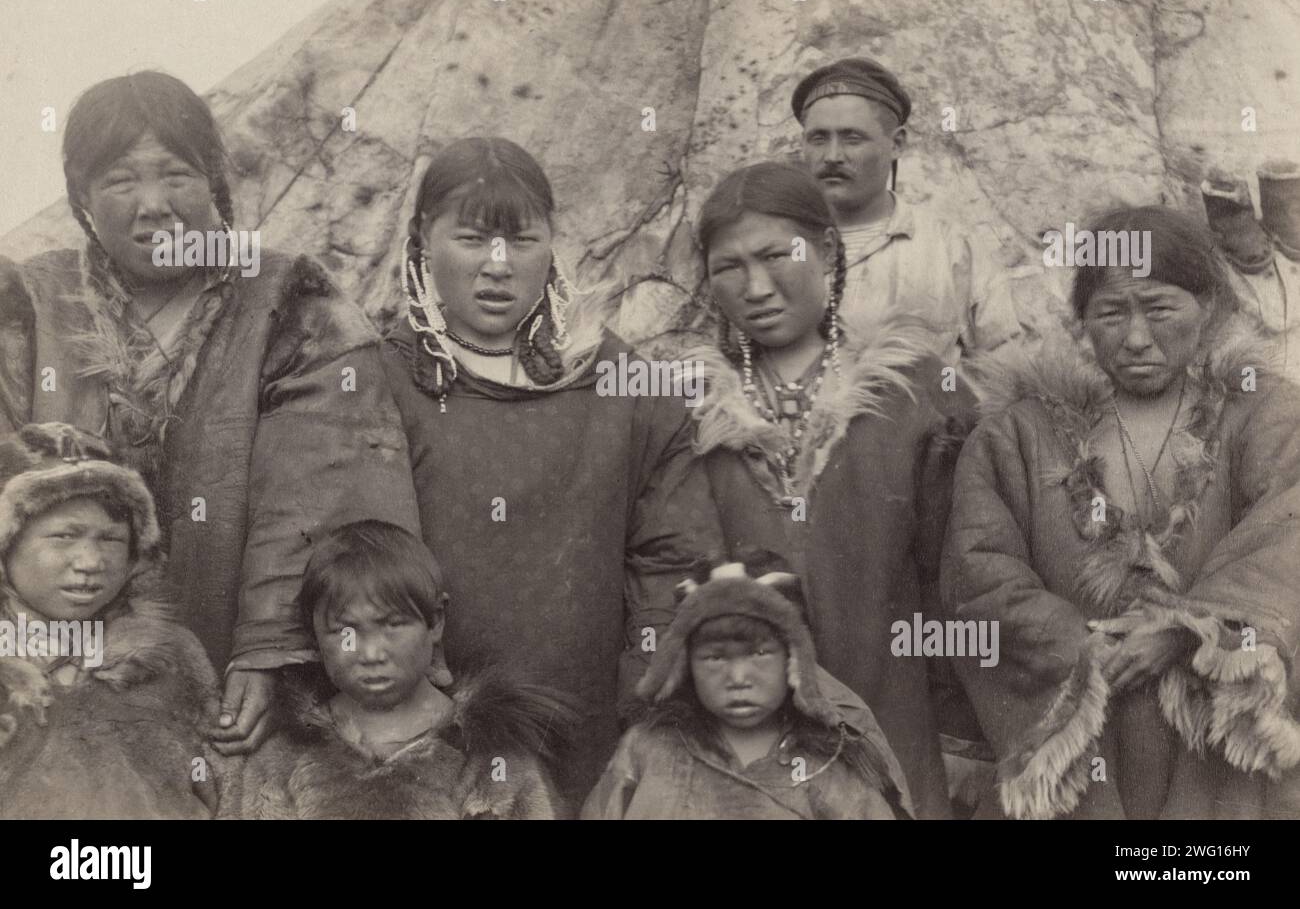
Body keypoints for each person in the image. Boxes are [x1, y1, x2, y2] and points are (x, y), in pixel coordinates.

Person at [0, 71, 420, 756]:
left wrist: (270, 649)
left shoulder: (292, 306)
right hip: (47, 675)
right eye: (118, 181)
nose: (154, 205)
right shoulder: (28, 304)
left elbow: (320, 484)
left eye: (177, 175)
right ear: (80, 198)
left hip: (239, 675)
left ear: (215, 183)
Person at [382, 137, 725, 802]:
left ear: (552, 244)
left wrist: (651, 705)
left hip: (595, 728)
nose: (498, 266)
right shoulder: (379, 380)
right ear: (425, 239)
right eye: (473, 238)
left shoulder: (624, 385)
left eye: (523, 239)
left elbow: (674, 559)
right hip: (420, 731)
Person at [943, 205, 1300, 819]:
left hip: (1212, 742)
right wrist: (1074, 647)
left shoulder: (1263, 414)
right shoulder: (1018, 435)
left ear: (1209, 307)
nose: (1136, 338)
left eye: (1160, 308)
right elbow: (979, 573)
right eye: (1111, 312)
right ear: (1080, 320)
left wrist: (1193, 631)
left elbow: (1288, 536)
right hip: (1087, 733)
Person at [683, 161, 973, 818]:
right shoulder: (690, 412)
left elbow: (956, 578)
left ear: (828, 249)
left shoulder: (914, 393)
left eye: (775, 255)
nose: (755, 285)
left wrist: (960, 736)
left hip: (895, 733)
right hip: (742, 752)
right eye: (729, 267)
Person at [223, 520, 570, 819]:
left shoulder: (487, 759)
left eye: (392, 625)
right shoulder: (283, 757)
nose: (371, 653)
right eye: (346, 631)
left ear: (435, 622)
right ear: (314, 635)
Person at [0, 422, 222, 818]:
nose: (90, 563)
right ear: (7, 543)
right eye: (64, 536)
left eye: (111, 539)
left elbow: (220, 783)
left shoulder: (174, 657)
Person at [582, 557, 910, 819]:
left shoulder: (828, 764)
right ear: (685, 665)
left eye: (760, 653)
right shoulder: (648, 749)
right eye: (715, 657)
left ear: (793, 661)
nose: (738, 677)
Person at [792, 56, 1020, 365]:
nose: (832, 155)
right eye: (818, 138)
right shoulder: (778, 244)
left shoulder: (950, 248)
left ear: (897, 143)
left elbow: (1006, 366)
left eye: (852, 138)